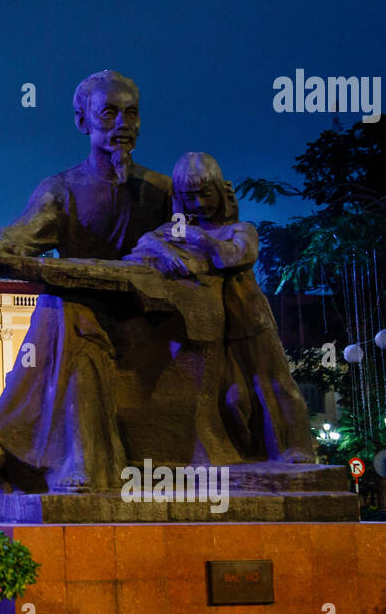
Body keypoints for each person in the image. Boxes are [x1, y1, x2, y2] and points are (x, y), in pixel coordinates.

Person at [0, 71, 173, 492]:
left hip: (146, 315)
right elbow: (28, 231)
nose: (122, 124)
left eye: (131, 113)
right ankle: (80, 456)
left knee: (66, 310)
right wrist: (1, 241)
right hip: (83, 315)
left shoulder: (161, 190)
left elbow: (191, 247)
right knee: (66, 307)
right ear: (83, 121)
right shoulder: (62, 188)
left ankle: (2, 431)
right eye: (109, 113)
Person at [126, 152, 315, 462]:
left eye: (206, 193)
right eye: (190, 197)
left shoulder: (239, 230)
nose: (200, 203)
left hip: (251, 325)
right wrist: (165, 250)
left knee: (274, 384)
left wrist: (198, 239)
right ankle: (248, 453)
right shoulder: (179, 231)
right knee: (231, 397)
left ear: (220, 190)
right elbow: (145, 242)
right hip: (210, 330)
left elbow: (233, 256)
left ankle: (295, 447)